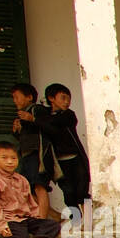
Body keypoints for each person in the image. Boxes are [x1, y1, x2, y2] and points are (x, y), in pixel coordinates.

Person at [39, 83, 91, 213]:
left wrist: (35, 120)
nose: (67, 102)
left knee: (82, 191)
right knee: (68, 193)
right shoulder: (45, 117)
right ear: (51, 98)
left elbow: (53, 125)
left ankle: (88, 222)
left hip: (76, 159)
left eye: (69, 99)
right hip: (59, 162)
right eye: (63, 98)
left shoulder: (69, 115)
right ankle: (77, 221)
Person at [10, 83, 52, 218]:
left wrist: (32, 119)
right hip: (27, 155)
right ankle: (56, 216)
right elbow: (25, 136)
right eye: (13, 98)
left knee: (40, 186)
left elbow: (47, 127)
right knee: (27, 189)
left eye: (17, 97)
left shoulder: (36, 109)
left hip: (38, 153)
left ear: (29, 97)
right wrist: (17, 131)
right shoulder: (22, 115)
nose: (14, 101)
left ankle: (43, 221)